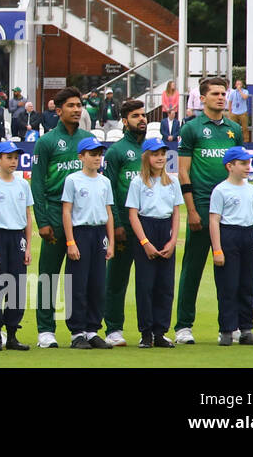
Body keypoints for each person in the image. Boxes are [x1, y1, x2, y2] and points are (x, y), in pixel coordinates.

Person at [174, 77, 240, 345]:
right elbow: (183, 171)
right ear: (202, 99)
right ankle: (183, 327)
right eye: (215, 93)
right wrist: (191, 210)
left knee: (229, 270)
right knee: (193, 267)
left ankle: (229, 326)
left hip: (231, 209)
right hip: (201, 205)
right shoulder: (191, 128)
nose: (221, 97)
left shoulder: (234, 128)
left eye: (224, 93)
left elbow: (239, 170)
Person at [31, 86, 94, 348]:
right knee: (49, 274)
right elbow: (37, 184)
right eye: (71, 105)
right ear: (58, 111)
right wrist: (42, 221)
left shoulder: (88, 138)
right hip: (56, 213)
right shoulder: (45, 142)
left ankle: (80, 330)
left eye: (79, 105)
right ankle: (45, 329)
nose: (77, 110)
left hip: (83, 215)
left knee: (80, 277)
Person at [0, 140, 35, 351]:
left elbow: (28, 216)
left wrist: (28, 246)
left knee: (17, 287)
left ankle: (12, 334)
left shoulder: (22, 184)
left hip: (17, 237)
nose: (13, 161)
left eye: (15, 157)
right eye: (9, 157)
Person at [124, 138, 180, 348]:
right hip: (146, 229)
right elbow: (133, 215)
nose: (160, 158)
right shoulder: (138, 182)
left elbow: (176, 213)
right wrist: (145, 242)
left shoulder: (172, 182)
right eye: (155, 154)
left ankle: (160, 331)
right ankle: (146, 332)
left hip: (165, 229)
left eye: (162, 154)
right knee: (146, 284)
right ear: (146, 157)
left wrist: (173, 240)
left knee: (165, 285)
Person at [61, 137, 115, 349]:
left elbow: (109, 212)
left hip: (99, 233)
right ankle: (77, 332)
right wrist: (70, 242)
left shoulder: (105, 181)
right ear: (81, 157)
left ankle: (92, 330)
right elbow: (66, 211)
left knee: (97, 284)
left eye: (99, 154)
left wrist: (110, 242)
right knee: (78, 284)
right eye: (92, 154)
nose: (97, 158)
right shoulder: (73, 180)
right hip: (80, 233)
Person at [100, 98, 147, 347]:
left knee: (148, 282)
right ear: (125, 121)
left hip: (149, 226)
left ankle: (149, 330)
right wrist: (116, 224)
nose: (142, 119)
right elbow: (109, 192)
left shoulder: (152, 150)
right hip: (124, 227)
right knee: (117, 280)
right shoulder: (117, 151)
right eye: (136, 116)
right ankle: (114, 329)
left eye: (143, 115)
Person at [208, 146, 253, 346]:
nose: (247, 167)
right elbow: (214, 220)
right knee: (228, 285)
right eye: (242, 163)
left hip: (249, 235)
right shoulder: (221, 190)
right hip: (229, 234)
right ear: (230, 166)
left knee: (248, 285)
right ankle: (226, 329)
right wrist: (217, 249)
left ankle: (246, 329)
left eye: (248, 163)